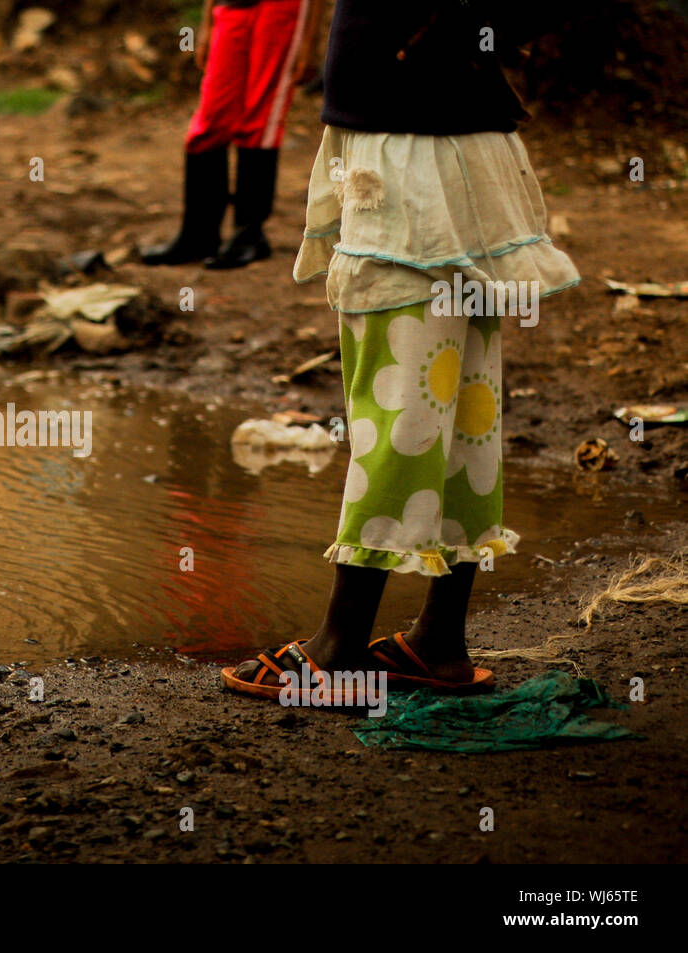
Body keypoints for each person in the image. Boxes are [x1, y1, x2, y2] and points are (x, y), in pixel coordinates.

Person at [222, 1, 580, 700]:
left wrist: (436, 40)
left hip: (411, 160)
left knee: (399, 403)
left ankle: (341, 644)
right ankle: (439, 641)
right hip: (452, 147)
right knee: (460, 401)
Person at [142, 0, 325, 269]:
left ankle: (248, 235)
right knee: (208, 124)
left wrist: (310, 41)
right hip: (232, 8)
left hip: (282, 10)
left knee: (260, 120)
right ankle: (198, 234)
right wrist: (207, 23)